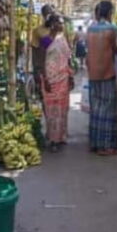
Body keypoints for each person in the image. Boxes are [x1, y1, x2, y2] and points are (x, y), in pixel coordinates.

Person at [86, 0, 117, 155]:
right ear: (109, 13)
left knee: (96, 109)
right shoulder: (112, 29)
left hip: (93, 74)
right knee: (107, 110)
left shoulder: (90, 29)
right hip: (107, 73)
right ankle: (105, 146)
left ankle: (94, 142)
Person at [42, 14, 74, 151]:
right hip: (50, 80)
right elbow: (41, 60)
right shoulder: (45, 41)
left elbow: (68, 59)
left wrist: (71, 77)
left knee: (62, 109)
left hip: (63, 79)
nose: (62, 25)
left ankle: (60, 137)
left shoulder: (62, 39)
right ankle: (53, 139)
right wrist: (45, 79)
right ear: (53, 24)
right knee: (52, 111)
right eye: (60, 23)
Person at [31, 4, 55, 97]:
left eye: (50, 13)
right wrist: (36, 69)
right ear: (43, 15)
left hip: (57, 67)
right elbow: (35, 50)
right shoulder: (38, 31)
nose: (48, 16)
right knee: (45, 93)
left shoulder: (59, 29)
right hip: (44, 66)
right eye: (46, 14)